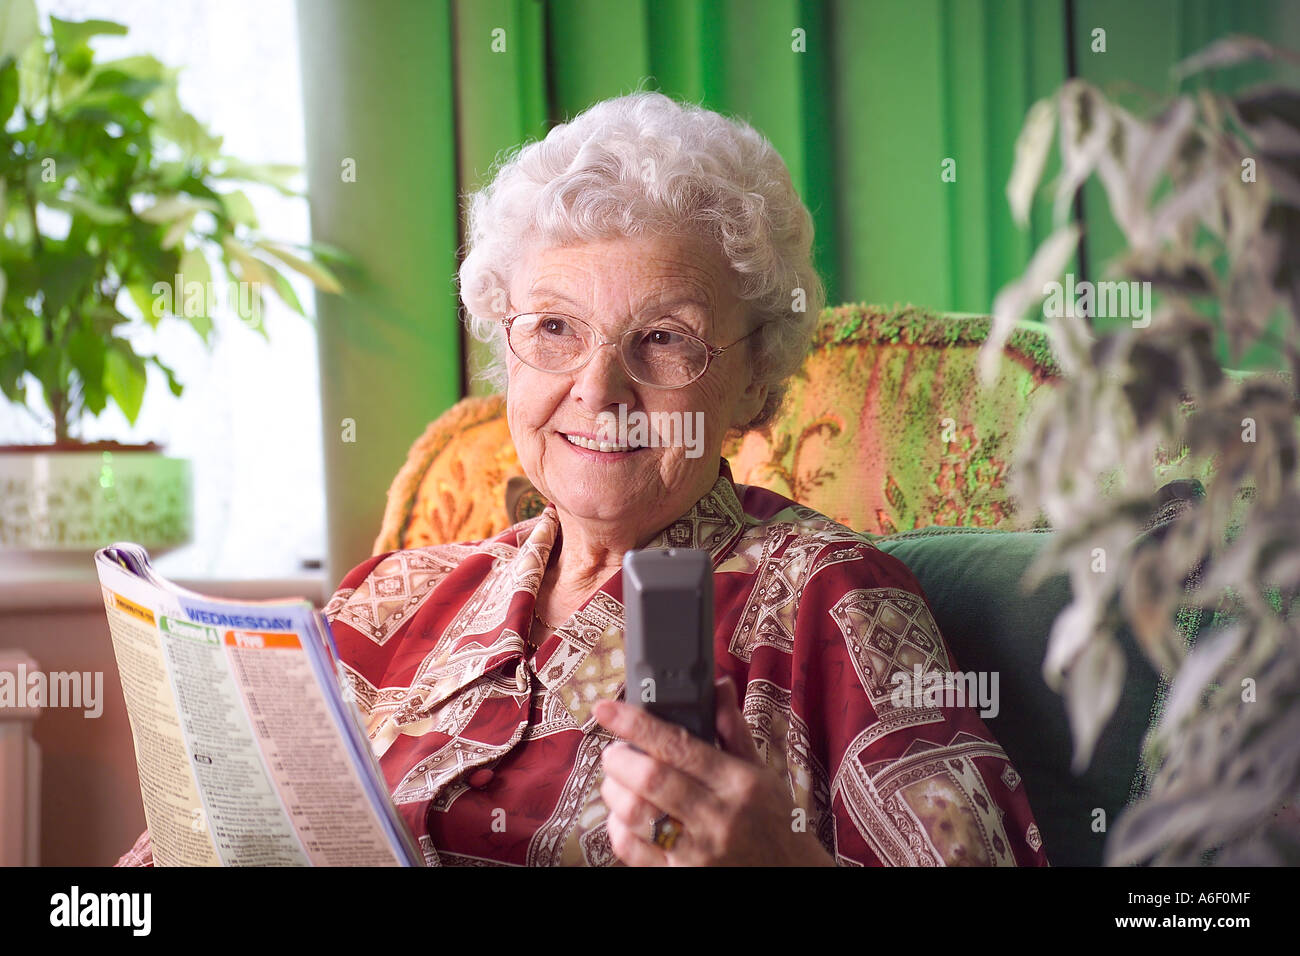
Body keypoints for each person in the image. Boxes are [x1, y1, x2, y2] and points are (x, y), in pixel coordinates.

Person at [117, 90, 1048, 867]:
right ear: (505, 347)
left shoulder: (830, 604)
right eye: (554, 328)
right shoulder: (386, 607)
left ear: (754, 375)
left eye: (664, 339)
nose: (597, 392)